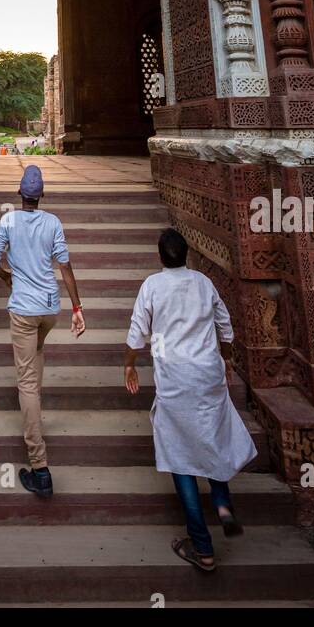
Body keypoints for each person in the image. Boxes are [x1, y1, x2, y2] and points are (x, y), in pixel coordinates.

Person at [124, 227, 255, 572]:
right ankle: (223, 506)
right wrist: (225, 359)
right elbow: (225, 327)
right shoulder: (202, 282)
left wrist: (129, 365)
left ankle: (203, 548)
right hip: (207, 374)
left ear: (160, 256)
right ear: (187, 254)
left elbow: (138, 331)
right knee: (211, 438)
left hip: (175, 378)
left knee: (180, 456)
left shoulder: (152, 285)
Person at [0, 164, 85, 496]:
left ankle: (40, 468)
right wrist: (77, 307)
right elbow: (65, 266)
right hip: (49, 310)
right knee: (37, 354)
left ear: (20, 194)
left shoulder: (9, 220)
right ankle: (36, 411)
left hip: (24, 311)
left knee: (26, 382)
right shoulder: (52, 222)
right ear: (41, 195)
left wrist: (7, 277)